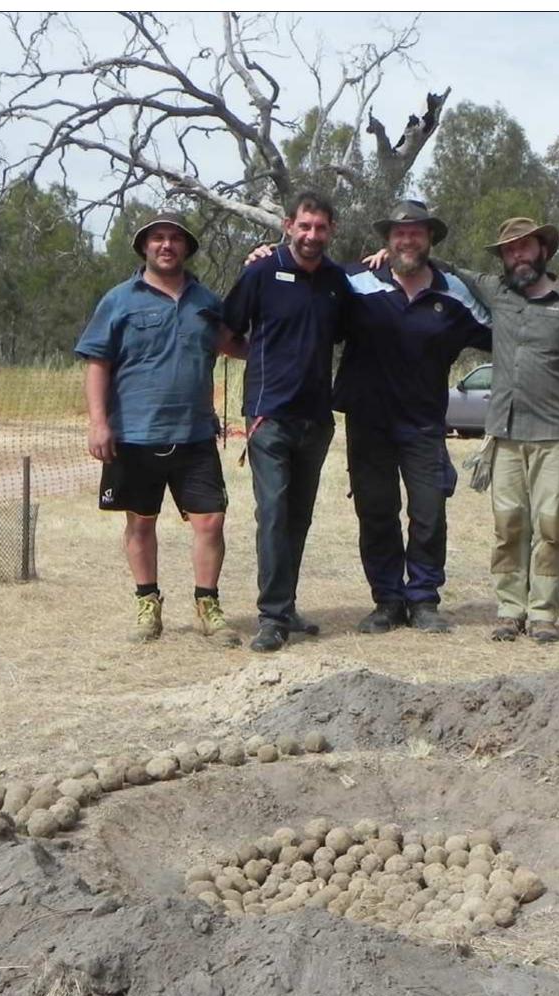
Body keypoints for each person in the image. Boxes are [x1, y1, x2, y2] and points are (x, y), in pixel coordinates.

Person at [404, 217, 559, 644]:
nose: (517, 255)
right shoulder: (496, 292)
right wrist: (399, 255)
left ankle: (543, 614)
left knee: (549, 525)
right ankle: (510, 610)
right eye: (509, 250)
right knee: (509, 524)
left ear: (542, 250)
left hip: (557, 436)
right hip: (506, 434)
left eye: (524, 247)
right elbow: (450, 268)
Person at [74, 213, 244, 646]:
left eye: (175, 239)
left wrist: (290, 337)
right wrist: (98, 423)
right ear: (144, 248)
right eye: (157, 239)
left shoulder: (206, 301)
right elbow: (98, 363)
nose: (166, 245)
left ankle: (208, 605)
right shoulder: (119, 300)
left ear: (187, 248)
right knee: (141, 523)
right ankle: (147, 604)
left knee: (210, 521)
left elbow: (235, 344)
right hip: (134, 435)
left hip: (195, 434)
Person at [334, 201, 491, 634]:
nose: (408, 240)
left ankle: (423, 600)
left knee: (429, 512)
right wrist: (266, 253)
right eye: (400, 234)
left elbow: (504, 332)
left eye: (417, 233)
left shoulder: (453, 292)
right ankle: (387, 600)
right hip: (368, 423)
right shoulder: (356, 281)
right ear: (387, 240)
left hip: (423, 424)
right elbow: (303, 283)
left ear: (430, 241)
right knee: (377, 512)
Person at [222, 191, 352, 653]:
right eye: (304, 226)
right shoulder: (260, 271)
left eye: (320, 228)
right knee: (273, 513)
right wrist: (258, 358)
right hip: (268, 417)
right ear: (287, 225)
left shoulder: (340, 282)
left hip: (316, 420)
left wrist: (378, 260)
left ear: (332, 230)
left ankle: (288, 605)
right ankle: (272, 618)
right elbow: (224, 332)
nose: (312, 236)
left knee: (298, 517)